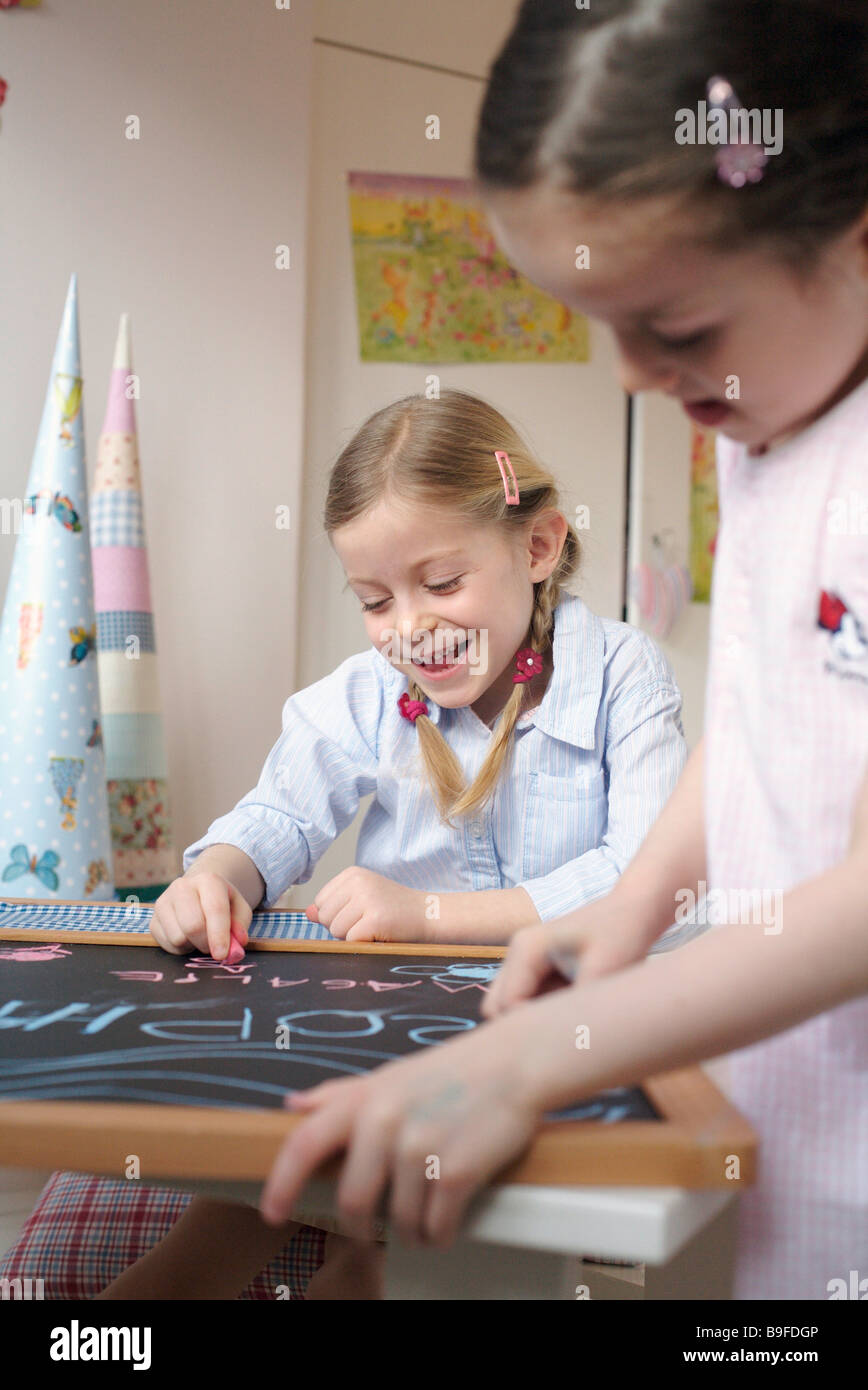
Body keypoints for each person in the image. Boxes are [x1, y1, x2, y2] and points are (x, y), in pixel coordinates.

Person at [259, 0, 868, 1301]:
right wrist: (627, 917)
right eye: (597, 321)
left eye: (681, 328)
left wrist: (537, 1056)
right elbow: (765, 721)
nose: (634, 374)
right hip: (771, 1116)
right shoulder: (774, 424)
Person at [95, 385, 685, 1298]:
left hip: (560, 1034)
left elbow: (639, 879)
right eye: (375, 600)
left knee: (402, 1246)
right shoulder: (370, 691)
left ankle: (370, 1262)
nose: (410, 627)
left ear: (537, 546)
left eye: (442, 585)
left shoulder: (622, 676)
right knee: (246, 1200)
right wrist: (219, 873)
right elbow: (278, 818)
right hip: (386, 1033)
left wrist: (430, 913)